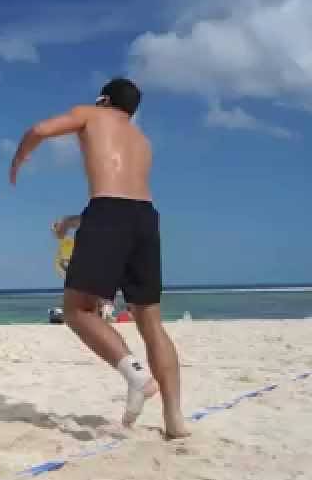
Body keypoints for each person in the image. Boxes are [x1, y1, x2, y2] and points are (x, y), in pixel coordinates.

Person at [10, 77, 189, 438]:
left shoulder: (90, 114)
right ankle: (175, 419)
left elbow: (40, 129)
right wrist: (77, 221)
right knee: (151, 323)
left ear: (104, 99)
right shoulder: (142, 142)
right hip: (145, 218)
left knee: (77, 310)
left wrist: (19, 159)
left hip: (109, 214)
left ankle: (136, 376)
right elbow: (124, 196)